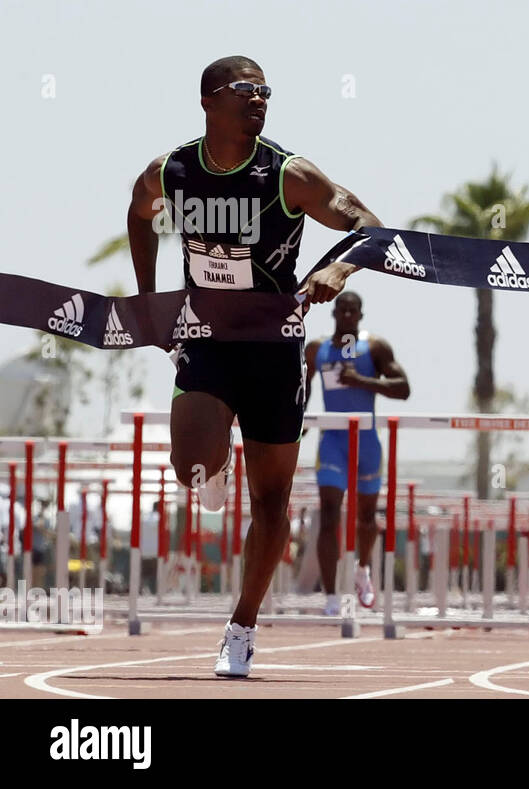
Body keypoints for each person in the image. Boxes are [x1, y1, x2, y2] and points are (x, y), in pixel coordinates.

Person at [127, 55, 381, 677]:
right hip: (207, 337)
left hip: (274, 347)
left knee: (270, 503)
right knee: (191, 463)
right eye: (248, 91)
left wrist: (337, 268)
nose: (261, 100)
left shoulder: (288, 174)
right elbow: (138, 212)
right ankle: (211, 467)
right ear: (211, 99)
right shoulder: (173, 170)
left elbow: (369, 224)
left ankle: (241, 626)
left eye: (267, 92)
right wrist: (148, 299)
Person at [304, 291, 410, 615]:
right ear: (334, 313)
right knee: (329, 516)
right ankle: (332, 597)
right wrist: (301, 419)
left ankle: (363, 569)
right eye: (343, 310)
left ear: (361, 316)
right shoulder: (316, 349)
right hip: (332, 440)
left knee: (366, 518)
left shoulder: (374, 347)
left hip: (367, 441)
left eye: (354, 311)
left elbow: (403, 388)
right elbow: (303, 386)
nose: (348, 315)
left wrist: (361, 380)